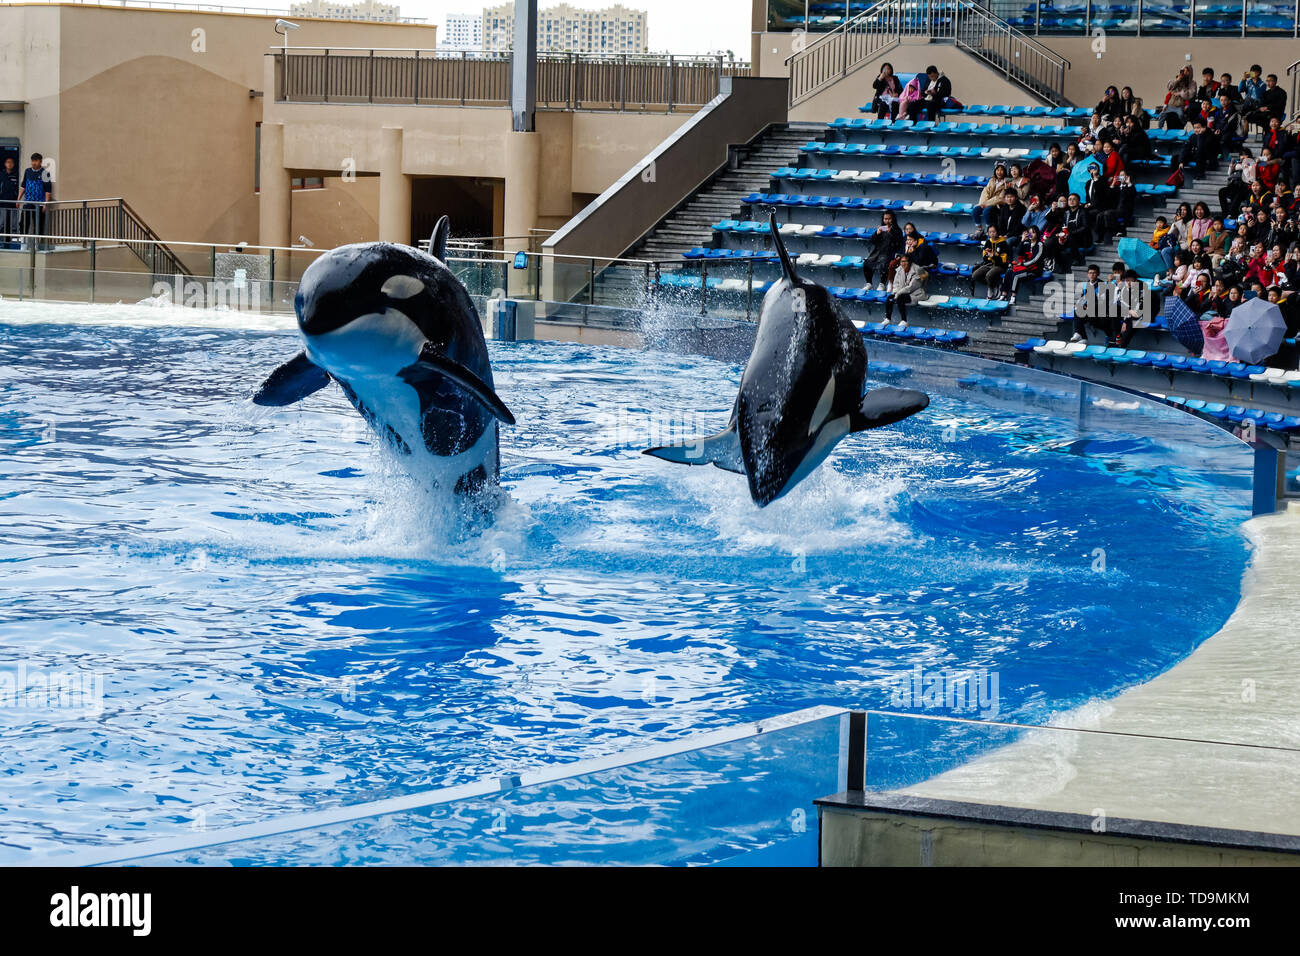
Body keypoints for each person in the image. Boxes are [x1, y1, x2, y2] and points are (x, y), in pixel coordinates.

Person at [1069, 263, 1113, 343]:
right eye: (1090, 273)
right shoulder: (1086, 285)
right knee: (1077, 309)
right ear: (1087, 274)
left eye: (1094, 273)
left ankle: (1082, 336)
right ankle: (1081, 335)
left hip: (1099, 313)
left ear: (1098, 274)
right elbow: (1083, 298)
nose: (1092, 275)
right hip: (1089, 311)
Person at [1001, 225, 1044, 305]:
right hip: (1025, 267)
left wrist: (1023, 264)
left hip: (1034, 270)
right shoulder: (1026, 243)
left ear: (1037, 234)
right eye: (1030, 233)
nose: (1031, 234)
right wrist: (1022, 240)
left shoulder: (1040, 245)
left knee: (1016, 275)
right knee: (1008, 272)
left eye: (1033, 233)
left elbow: (1035, 259)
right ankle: (1004, 294)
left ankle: (1013, 297)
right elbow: (1018, 252)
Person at [862, 210, 903, 288]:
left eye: (889, 219)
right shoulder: (881, 229)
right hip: (878, 252)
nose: (887, 221)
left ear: (893, 219)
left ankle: (882, 283)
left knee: (884, 263)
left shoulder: (897, 230)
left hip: (890, 252)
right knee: (867, 262)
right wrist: (877, 234)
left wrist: (891, 233)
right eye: (885, 219)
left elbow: (898, 243)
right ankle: (869, 283)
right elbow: (872, 241)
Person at [884, 254, 926, 325]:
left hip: (915, 294)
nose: (902, 264)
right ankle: (888, 318)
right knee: (889, 298)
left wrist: (898, 293)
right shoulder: (900, 269)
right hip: (903, 292)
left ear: (909, 262)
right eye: (901, 262)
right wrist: (895, 292)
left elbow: (911, 287)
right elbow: (896, 283)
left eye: (904, 261)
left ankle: (904, 320)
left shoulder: (918, 269)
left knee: (900, 298)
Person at [19, 152, 51, 248]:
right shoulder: (27, 171)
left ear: (40, 162)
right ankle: (23, 245)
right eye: (32, 161)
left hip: (39, 204)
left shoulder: (45, 173)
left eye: (36, 161)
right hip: (28, 202)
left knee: (38, 225)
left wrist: (45, 203)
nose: (34, 163)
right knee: (23, 223)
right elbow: (23, 186)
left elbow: (48, 190)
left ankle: (37, 245)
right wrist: (18, 199)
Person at [970, 224, 1009, 299]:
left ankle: (990, 289)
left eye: (994, 232)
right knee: (975, 275)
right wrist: (989, 256)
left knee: (988, 275)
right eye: (990, 232)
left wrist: (993, 256)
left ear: (997, 232)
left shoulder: (1003, 243)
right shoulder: (988, 242)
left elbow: (1003, 260)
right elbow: (984, 258)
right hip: (989, 265)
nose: (992, 234)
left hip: (1000, 266)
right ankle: (994, 285)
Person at [972, 162, 1010, 235]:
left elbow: (999, 198)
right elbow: (985, 192)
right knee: (975, 210)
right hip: (987, 202)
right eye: (997, 170)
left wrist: (986, 204)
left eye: (1002, 170)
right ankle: (980, 230)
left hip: (998, 205)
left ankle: (990, 231)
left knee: (986, 211)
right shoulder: (992, 180)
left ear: (1004, 171)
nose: (999, 172)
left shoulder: (1006, 183)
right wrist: (982, 203)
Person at [0, 156, 18, 240]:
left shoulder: (16, 174)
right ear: (5, 164)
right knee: (2, 223)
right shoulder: (1, 174)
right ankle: (2, 242)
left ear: (14, 164)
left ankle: (12, 243)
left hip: (13, 203)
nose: (9, 164)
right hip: (2, 202)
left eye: (11, 162)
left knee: (13, 224)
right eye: (7, 162)